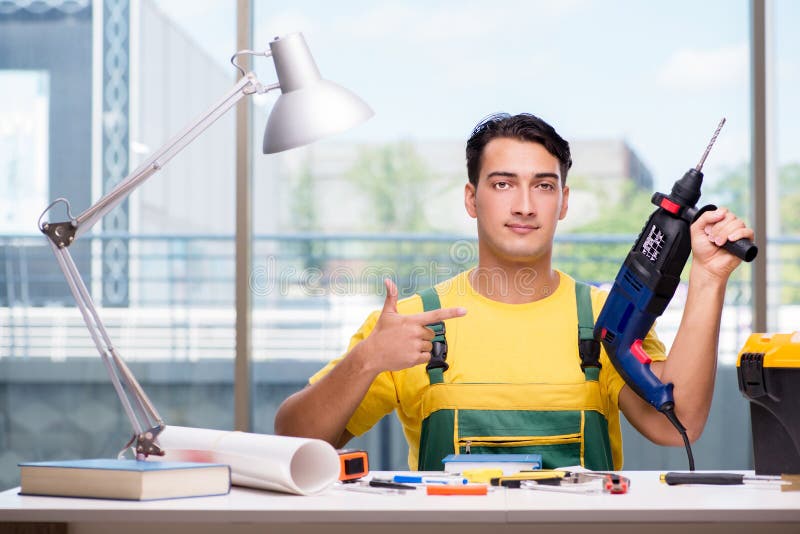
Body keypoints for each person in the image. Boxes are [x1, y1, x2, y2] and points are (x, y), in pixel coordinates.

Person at [274, 112, 754, 470]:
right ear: (471, 198)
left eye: (543, 186)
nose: (524, 205)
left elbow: (679, 425)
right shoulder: (413, 321)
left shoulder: (605, 318)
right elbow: (293, 438)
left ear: (563, 202)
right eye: (503, 184)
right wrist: (366, 360)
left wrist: (709, 279)